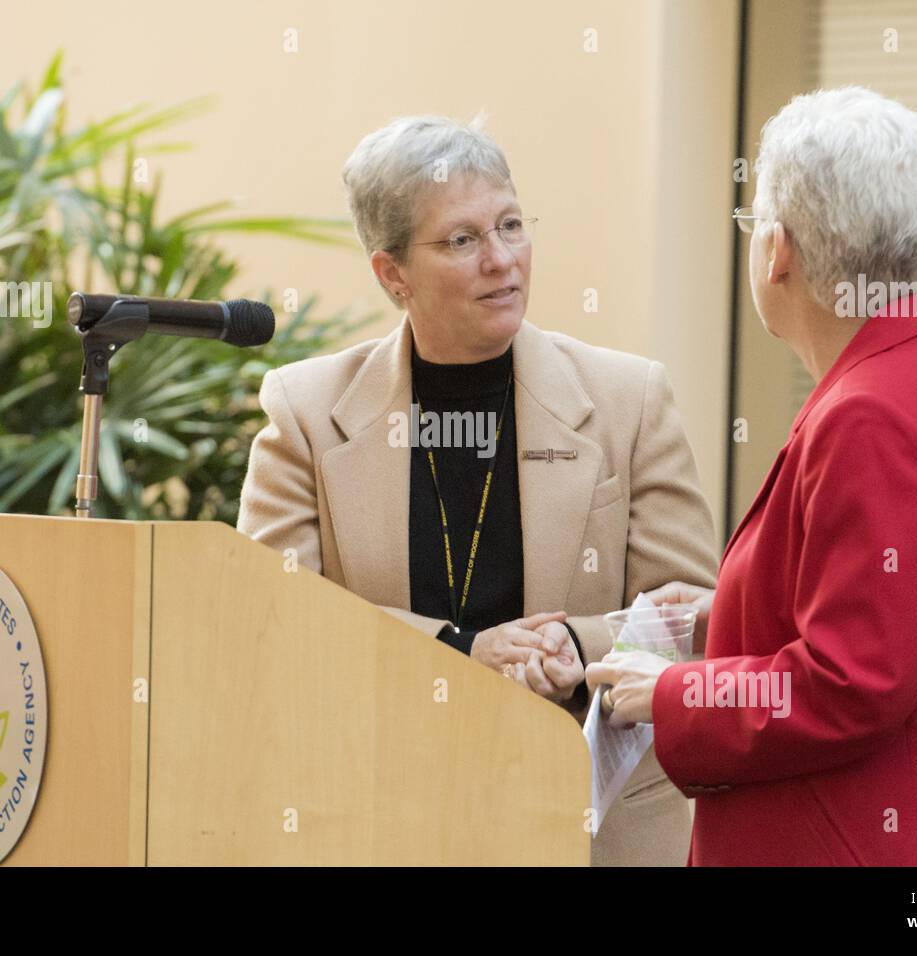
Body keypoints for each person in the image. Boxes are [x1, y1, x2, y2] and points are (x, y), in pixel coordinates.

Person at [587, 87, 917, 865]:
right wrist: (726, 617)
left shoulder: (870, 417)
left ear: (777, 250)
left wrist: (673, 693)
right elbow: (909, 616)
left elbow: (854, 681)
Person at [237, 115, 719, 865]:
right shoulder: (306, 414)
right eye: (462, 240)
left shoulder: (628, 398)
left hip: (588, 820)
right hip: (378, 817)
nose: (502, 260)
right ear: (391, 272)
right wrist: (459, 652)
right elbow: (273, 626)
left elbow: (696, 615)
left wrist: (574, 643)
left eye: (511, 225)